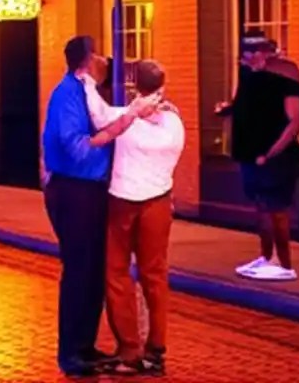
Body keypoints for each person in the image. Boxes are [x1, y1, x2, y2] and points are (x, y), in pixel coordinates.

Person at [41, 35, 158, 378]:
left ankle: (84, 345)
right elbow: (76, 147)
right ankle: (71, 352)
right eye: (98, 54)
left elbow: (108, 115)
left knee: (93, 269)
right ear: (86, 60)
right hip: (73, 189)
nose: (105, 59)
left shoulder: (87, 92)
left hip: (91, 190)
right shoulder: (68, 94)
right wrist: (121, 126)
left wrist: (140, 112)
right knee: (79, 270)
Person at [84, 60, 184, 375]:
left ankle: (129, 349)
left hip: (122, 201)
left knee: (116, 273)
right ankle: (156, 349)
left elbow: (96, 111)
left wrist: (86, 80)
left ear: (133, 84)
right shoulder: (174, 125)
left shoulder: (123, 119)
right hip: (159, 202)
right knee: (155, 275)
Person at [218, 30, 299, 282]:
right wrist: (227, 109)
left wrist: (272, 152)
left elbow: (295, 120)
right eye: (244, 55)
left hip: (275, 157)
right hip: (250, 153)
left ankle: (284, 263)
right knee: (260, 206)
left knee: (276, 208)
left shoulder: (285, 76)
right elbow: (243, 103)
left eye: (250, 55)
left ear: (263, 53)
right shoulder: (249, 75)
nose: (245, 60)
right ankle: (266, 257)